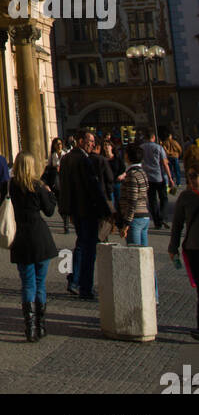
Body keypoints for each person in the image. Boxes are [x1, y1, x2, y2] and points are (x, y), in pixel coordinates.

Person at [9, 150, 58, 342]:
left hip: (21, 238)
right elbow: (49, 211)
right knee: (40, 284)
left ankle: (29, 327)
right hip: (39, 238)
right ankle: (41, 325)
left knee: (28, 284)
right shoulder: (37, 187)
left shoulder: (11, 186)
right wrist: (50, 194)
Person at [58, 127, 111, 299]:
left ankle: (74, 279)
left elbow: (64, 187)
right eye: (90, 142)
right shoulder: (83, 160)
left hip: (74, 210)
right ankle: (84, 286)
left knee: (81, 244)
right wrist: (106, 210)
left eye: (93, 143)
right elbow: (93, 187)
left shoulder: (66, 159)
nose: (92, 145)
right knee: (88, 249)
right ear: (80, 141)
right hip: (87, 209)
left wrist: (66, 209)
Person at [119, 141, 157, 299]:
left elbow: (132, 201)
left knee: (135, 258)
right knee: (145, 257)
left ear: (128, 156)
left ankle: (141, 295)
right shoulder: (142, 173)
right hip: (144, 217)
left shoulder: (132, 175)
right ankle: (152, 294)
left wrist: (126, 223)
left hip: (135, 219)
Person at [168, 166, 199, 340]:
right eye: (190, 177)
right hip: (194, 249)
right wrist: (173, 247)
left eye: (195, 176)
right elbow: (177, 224)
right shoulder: (185, 197)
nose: (192, 180)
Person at [141, 132, 173, 230]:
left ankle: (157, 221)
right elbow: (164, 163)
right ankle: (162, 216)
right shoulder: (159, 148)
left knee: (152, 200)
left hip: (147, 177)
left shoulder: (141, 148)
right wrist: (170, 177)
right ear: (153, 137)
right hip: (159, 176)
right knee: (164, 198)